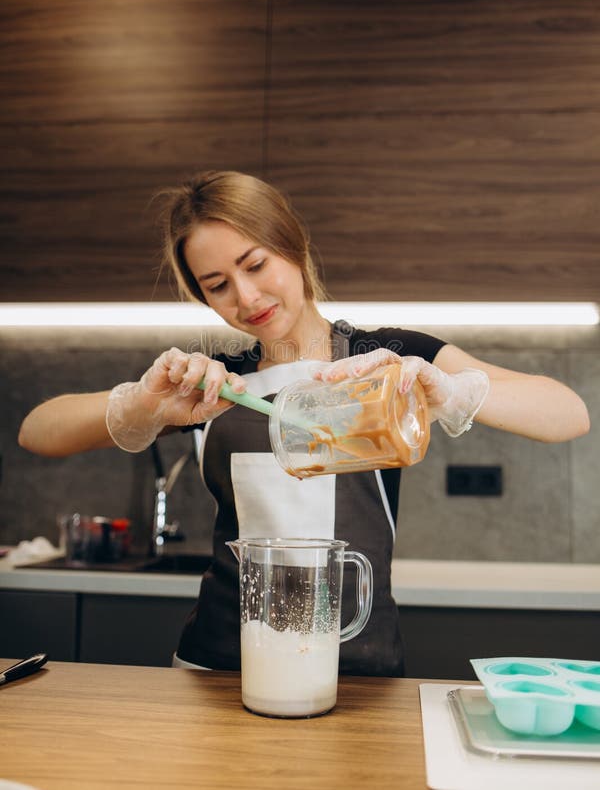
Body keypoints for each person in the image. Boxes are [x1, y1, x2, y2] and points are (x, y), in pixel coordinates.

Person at [18, 170, 590, 676]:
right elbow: (39, 430)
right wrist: (144, 405)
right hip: (218, 670)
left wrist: (451, 389)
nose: (246, 296)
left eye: (255, 264)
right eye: (217, 285)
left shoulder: (389, 357)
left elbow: (567, 414)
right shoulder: (212, 383)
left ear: (293, 244)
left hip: (359, 671)